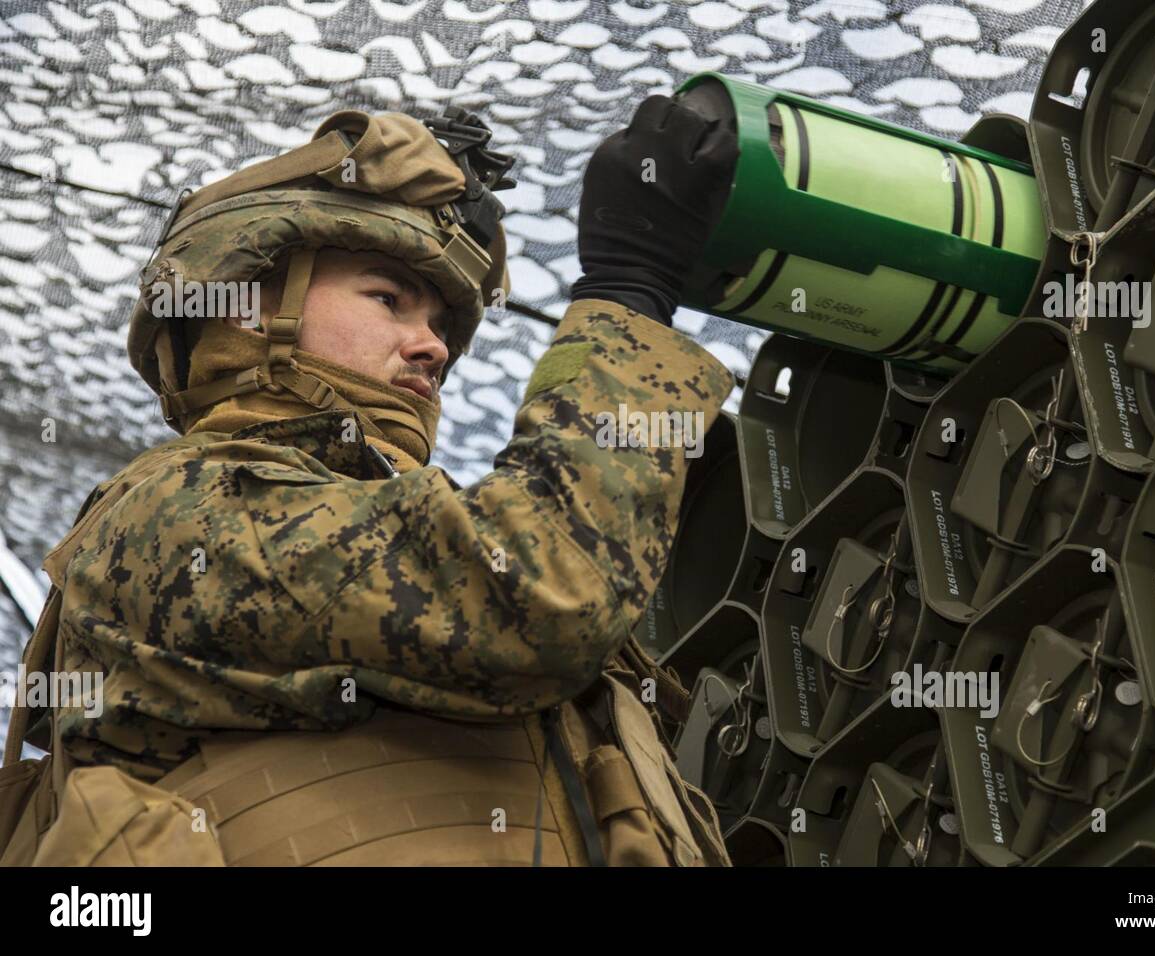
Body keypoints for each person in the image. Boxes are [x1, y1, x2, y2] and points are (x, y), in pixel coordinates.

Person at [0, 95, 740, 866]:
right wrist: (629, 285)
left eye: (444, 328)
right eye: (389, 299)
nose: (433, 349)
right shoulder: (177, 509)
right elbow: (540, 593)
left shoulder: (403, 525)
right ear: (250, 307)